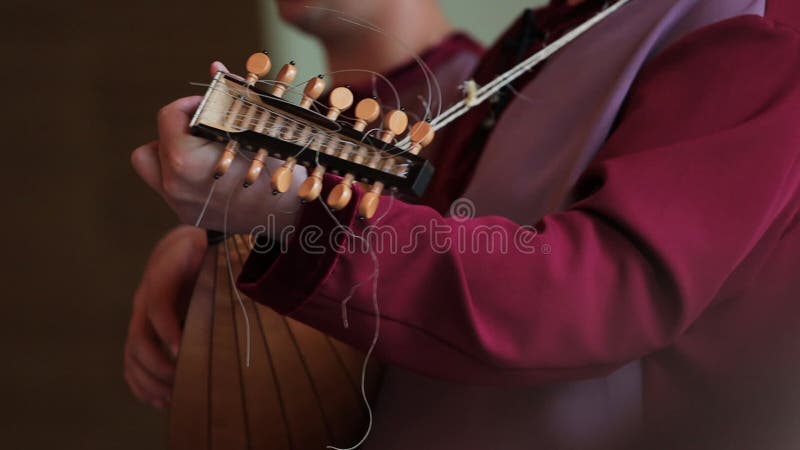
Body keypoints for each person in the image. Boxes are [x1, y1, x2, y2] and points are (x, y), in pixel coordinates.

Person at [127, 0, 800, 448]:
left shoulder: (759, 30)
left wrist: (285, 215)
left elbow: (586, 296)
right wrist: (230, 235)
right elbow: (436, 233)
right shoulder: (562, 26)